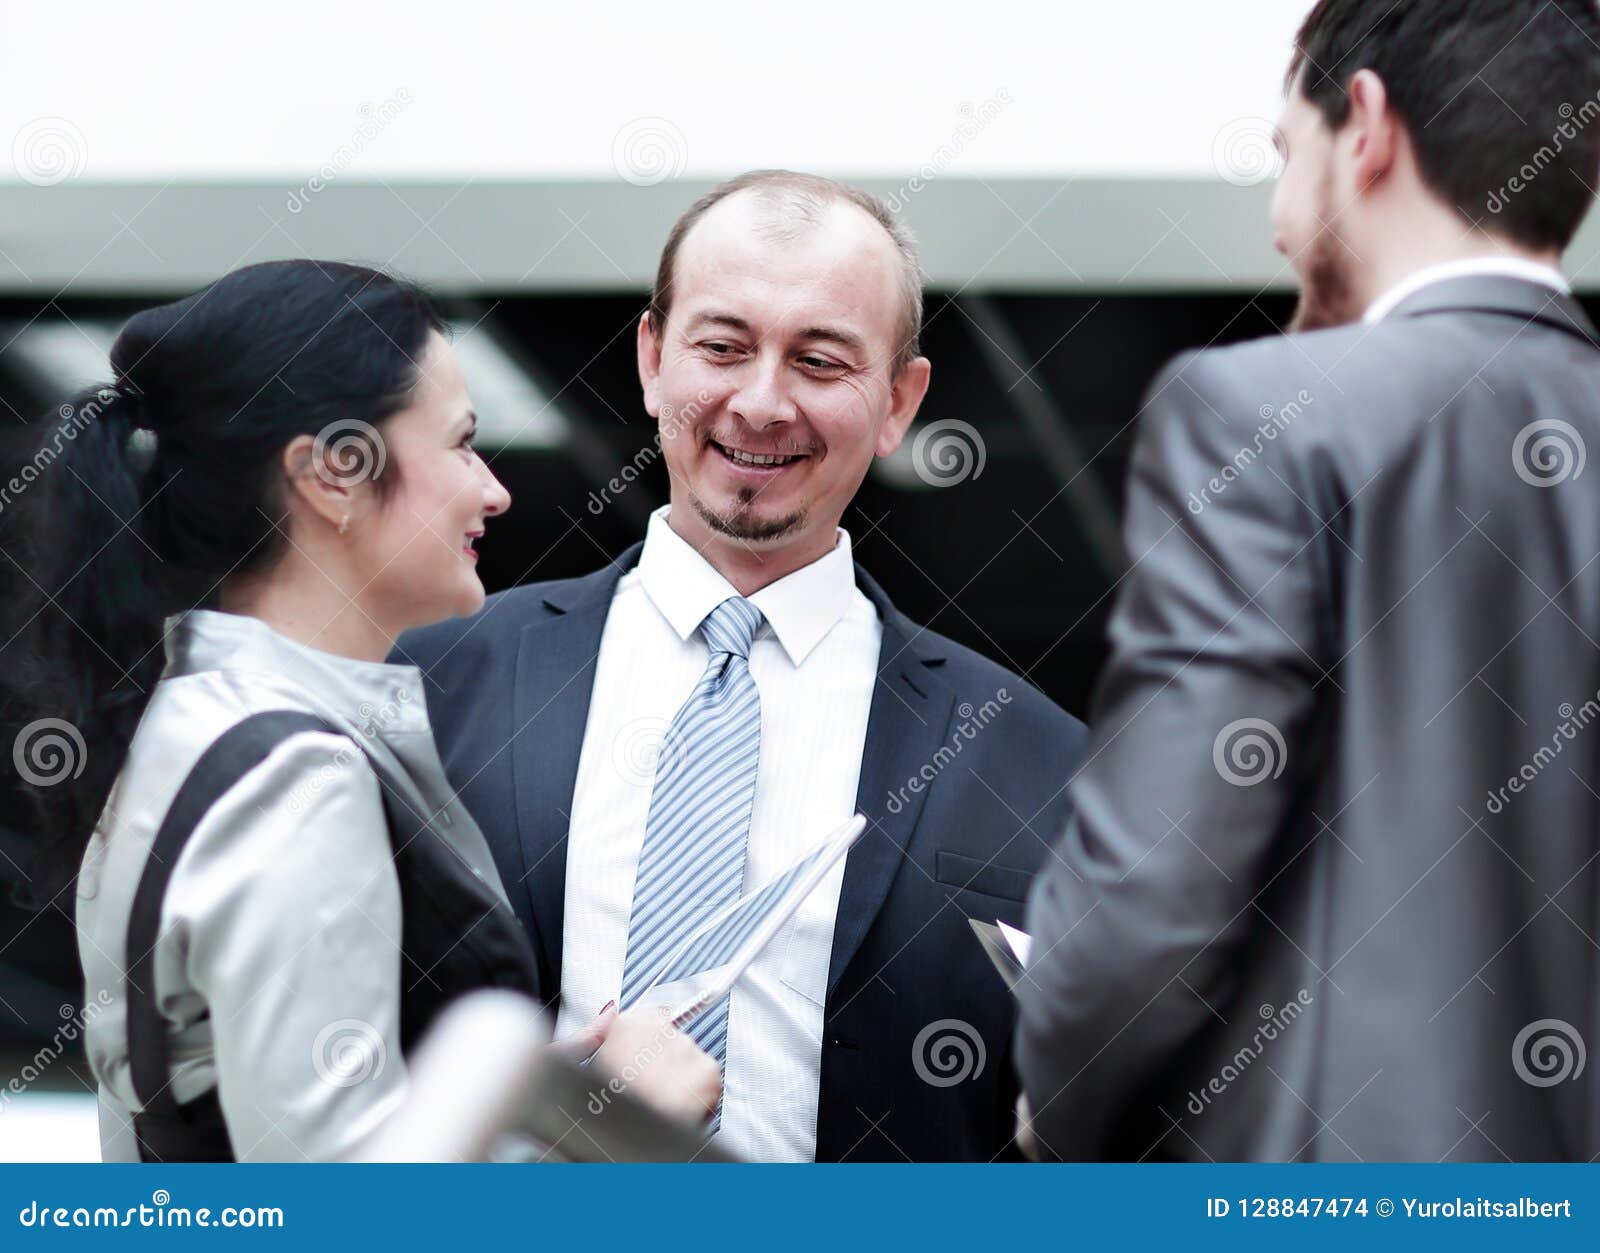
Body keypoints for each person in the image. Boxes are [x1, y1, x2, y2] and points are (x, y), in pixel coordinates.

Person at [396, 170, 1088, 1162]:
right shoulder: (432, 686)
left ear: (898, 401)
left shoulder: (1037, 759)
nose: (761, 404)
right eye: (721, 348)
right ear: (652, 359)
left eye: (819, 361)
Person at [1017, 0, 1600, 1162]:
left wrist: (1058, 1099)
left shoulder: (1260, 413)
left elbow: (1156, 888)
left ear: (1366, 126)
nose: (1280, 224)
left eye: (1286, 156)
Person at [5, 260, 719, 1162]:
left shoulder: (194, 727)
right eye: (461, 444)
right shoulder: (296, 778)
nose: (493, 490)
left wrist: (512, 1093)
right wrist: (616, 1119)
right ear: (335, 472)